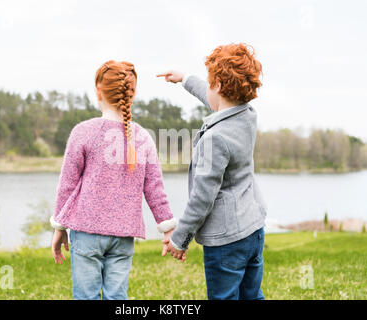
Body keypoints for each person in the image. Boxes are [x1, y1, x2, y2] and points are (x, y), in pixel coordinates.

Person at [50, 60, 176, 300]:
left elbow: (66, 185)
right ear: (133, 93)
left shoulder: (83, 132)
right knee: (117, 298)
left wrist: (59, 227)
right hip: (123, 236)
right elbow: (155, 189)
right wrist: (167, 228)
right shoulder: (143, 138)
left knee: (86, 297)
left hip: (87, 231)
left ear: (98, 91)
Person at [157, 43, 267, 300]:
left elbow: (202, 198)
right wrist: (185, 79)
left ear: (218, 86)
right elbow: (216, 100)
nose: (207, 87)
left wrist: (179, 239)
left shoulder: (215, 138)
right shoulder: (247, 116)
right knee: (252, 296)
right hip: (253, 229)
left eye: (209, 82)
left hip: (226, 241)